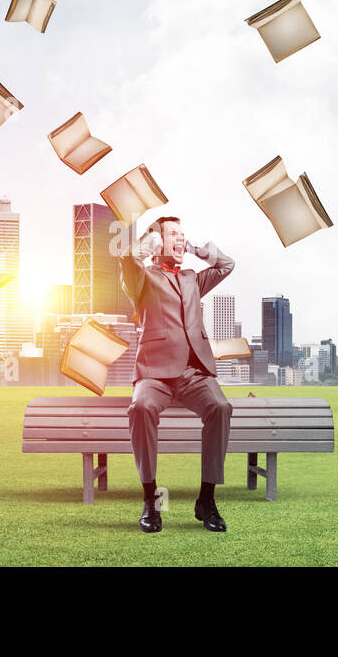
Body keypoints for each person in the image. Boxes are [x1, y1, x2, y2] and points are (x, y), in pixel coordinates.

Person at [118, 215, 235, 533]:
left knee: (221, 407)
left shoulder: (191, 279)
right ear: (156, 241)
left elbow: (226, 265)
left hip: (194, 372)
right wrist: (148, 242)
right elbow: (128, 258)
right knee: (140, 407)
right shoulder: (142, 277)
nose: (180, 239)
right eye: (173, 235)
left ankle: (206, 500)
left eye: (183, 235)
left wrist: (195, 248)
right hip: (154, 374)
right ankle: (150, 501)